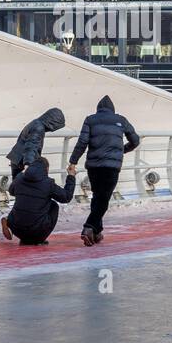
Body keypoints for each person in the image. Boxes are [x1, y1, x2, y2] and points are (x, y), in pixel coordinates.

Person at [68, 95, 141, 246]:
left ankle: (97, 231)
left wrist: (73, 161)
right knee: (103, 199)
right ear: (112, 109)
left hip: (93, 166)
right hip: (111, 166)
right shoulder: (121, 120)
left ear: (98, 109)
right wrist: (122, 150)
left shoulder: (90, 120)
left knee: (98, 197)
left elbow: (82, 142)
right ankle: (89, 227)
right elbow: (135, 140)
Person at [0, 157, 76, 245]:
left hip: (16, 228)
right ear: (46, 169)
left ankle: (9, 222)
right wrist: (71, 176)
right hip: (36, 230)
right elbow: (66, 197)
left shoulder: (20, 178)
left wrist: (21, 174)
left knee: (25, 201)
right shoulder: (48, 183)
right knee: (53, 205)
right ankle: (39, 239)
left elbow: (11, 191)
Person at [6, 108, 65, 179]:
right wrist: (28, 165)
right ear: (53, 122)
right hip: (22, 162)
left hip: (17, 160)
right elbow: (31, 146)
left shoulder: (35, 123)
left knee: (17, 186)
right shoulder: (39, 128)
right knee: (24, 188)